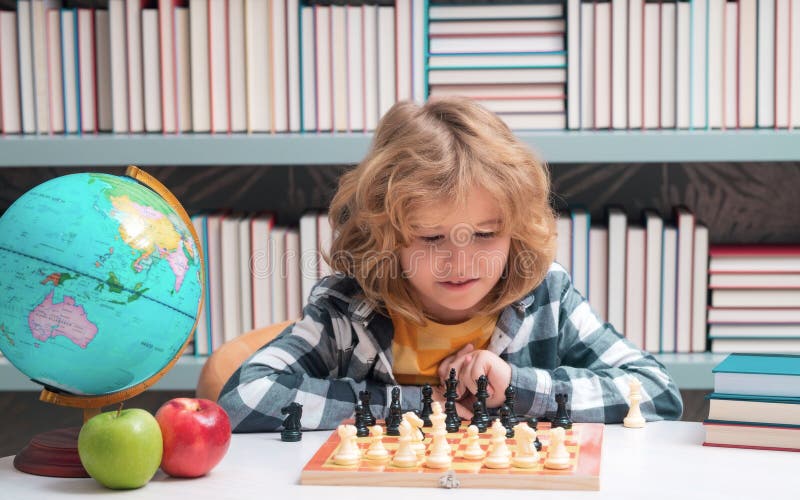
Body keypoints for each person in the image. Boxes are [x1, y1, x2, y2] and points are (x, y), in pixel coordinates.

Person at [217, 97, 683, 432]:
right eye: (431, 237)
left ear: (516, 229)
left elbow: (658, 391)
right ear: (387, 238)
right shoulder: (347, 307)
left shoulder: (545, 296)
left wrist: (517, 386)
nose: (459, 261)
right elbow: (243, 398)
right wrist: (411, 405)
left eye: (484, 234)